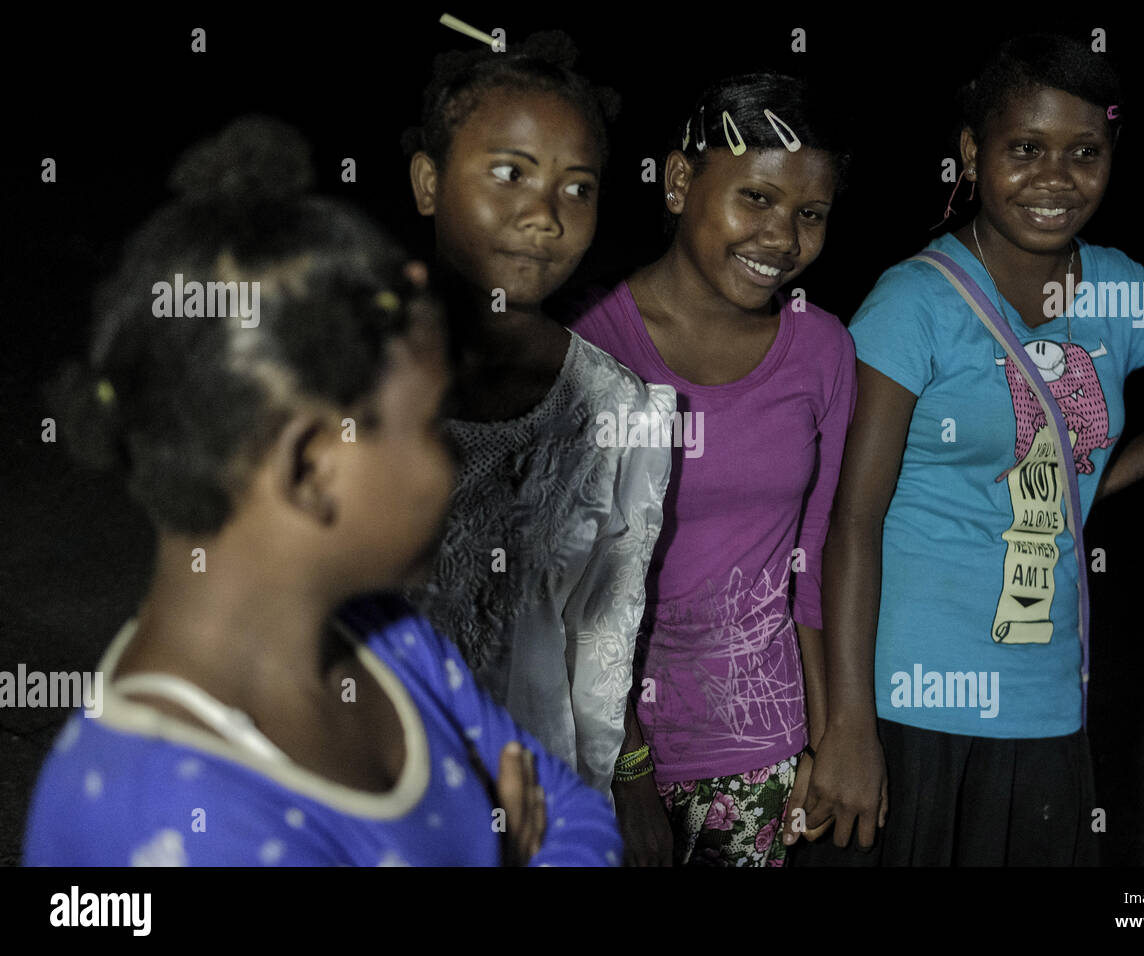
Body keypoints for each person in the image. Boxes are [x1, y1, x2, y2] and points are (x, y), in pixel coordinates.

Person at [23, 116, 620, 866]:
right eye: (434, 425)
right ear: (312, 468)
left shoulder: (384, 639)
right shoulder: (155, 825)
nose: (458, 456)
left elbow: (572, 811)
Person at [801, 33, 1144, 865]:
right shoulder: (912, 305)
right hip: (908, 700)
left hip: (1046, 696)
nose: (1056, 178)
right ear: (972, 153)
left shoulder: (1119, 286)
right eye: (1025, 149)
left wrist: (1095, 484)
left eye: (1086, 151)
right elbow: (851, 522)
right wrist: (849, 727)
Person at [569, 73, 855, 866]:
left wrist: (825, 744)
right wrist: (628, 774)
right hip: (606, 752)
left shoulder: (822, 348)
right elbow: (570, 586)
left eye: (810, 215)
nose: (782, 239)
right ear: (680, 181)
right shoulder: (590, 343)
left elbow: (816, 557)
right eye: (756, 199)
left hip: (760, 755)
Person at [401, 30, 674, 801]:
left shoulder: (617, 410)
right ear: (428, 181)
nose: (546, 216)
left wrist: (600, 798)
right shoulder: (337, 376)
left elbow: (601, 638)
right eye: (508, 173)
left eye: (578, 187)